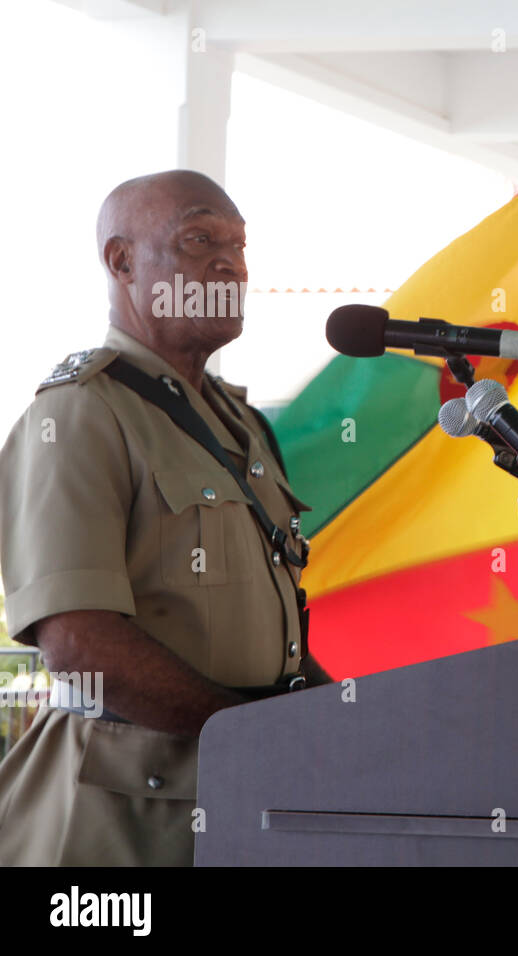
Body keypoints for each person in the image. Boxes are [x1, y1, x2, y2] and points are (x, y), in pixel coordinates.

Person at [0, 170, 329, 865]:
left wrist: (349, 718)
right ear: (121, 261)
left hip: (238, 799)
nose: (230, 265)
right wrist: (252, 737)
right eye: (199, 240)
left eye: (239, 247)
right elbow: (78, 643)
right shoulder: (80, 413)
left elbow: (278, 641)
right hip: (121, 817)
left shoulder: (241, 424)